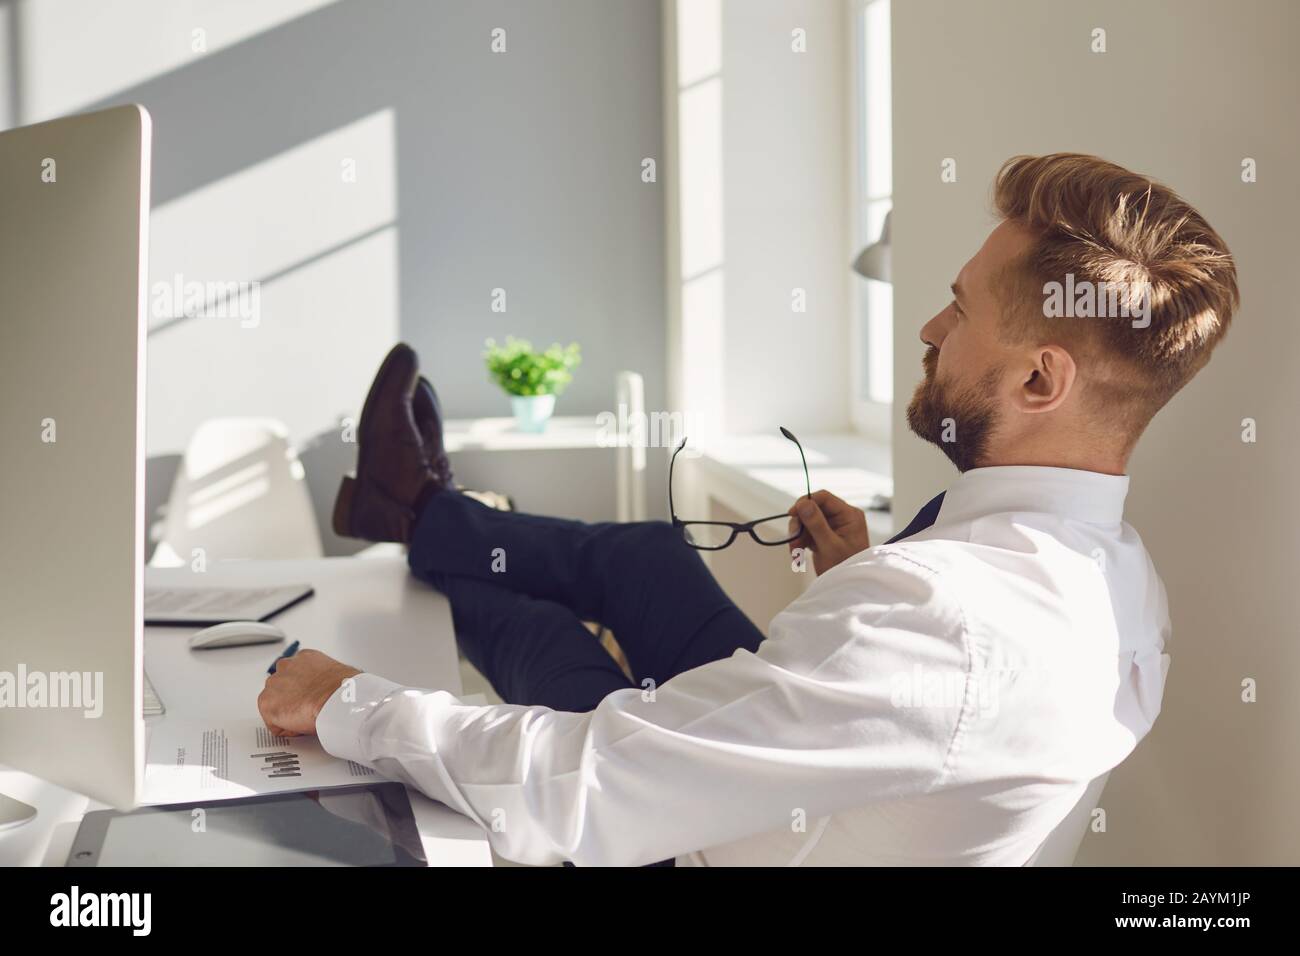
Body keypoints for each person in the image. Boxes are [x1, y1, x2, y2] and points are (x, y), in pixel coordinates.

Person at [258, 153, 1239, 866]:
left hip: (701, 842)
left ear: (1038, 376)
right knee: (646, 556)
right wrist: (862, 575)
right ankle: (418, 513)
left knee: (541, 640)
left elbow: (583, 788)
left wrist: (348, 699)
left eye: (960, 308)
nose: (931, 331)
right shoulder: (1115, 569)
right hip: (819, 790)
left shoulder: (947, 614)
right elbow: (946, 706)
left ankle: (414, 516)